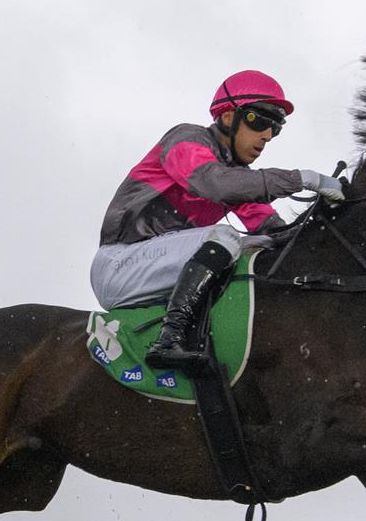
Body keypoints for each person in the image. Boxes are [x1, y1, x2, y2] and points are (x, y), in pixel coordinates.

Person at [91, 70, 346, 374]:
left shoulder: (239, 178)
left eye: (275, 128)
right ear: (228, 117)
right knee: (225, 236)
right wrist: (304, 179)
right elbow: (215, 184)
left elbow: (277, 234)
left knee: (261, 246)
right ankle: (169, 340)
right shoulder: (186, 139)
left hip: (159, 268)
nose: (267, 135)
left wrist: (326, 219)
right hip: (120, 265)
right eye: (259, 121)